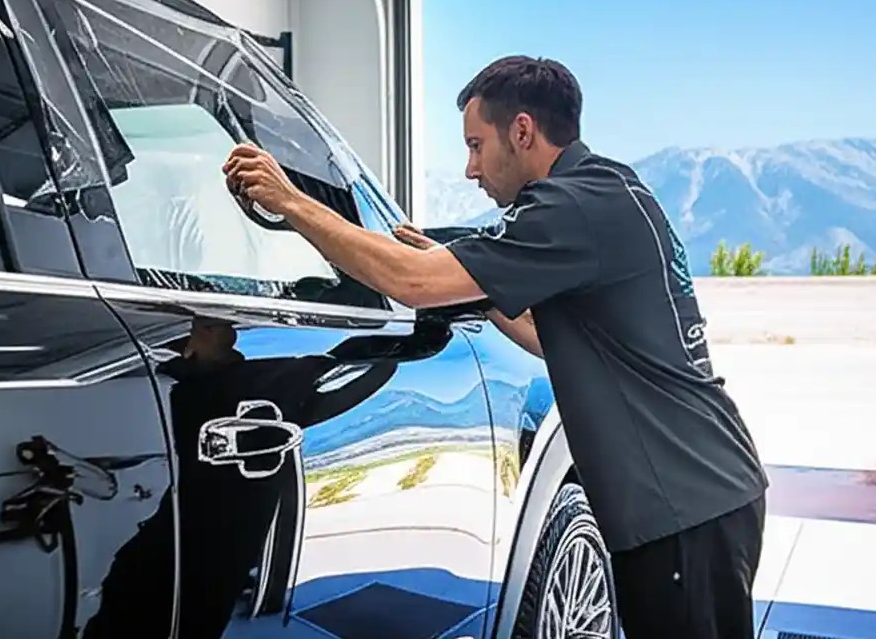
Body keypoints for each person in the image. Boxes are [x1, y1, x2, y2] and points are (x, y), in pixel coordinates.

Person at [222, 55, 768, 638]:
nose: (469, 169)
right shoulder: (610, 190)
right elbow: (554, 337)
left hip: (681, 510)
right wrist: (481, 287)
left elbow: (412, 282)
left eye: (477, 145)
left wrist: (292, 202)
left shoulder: (569, 208)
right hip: (706, 492)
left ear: (523, 131)